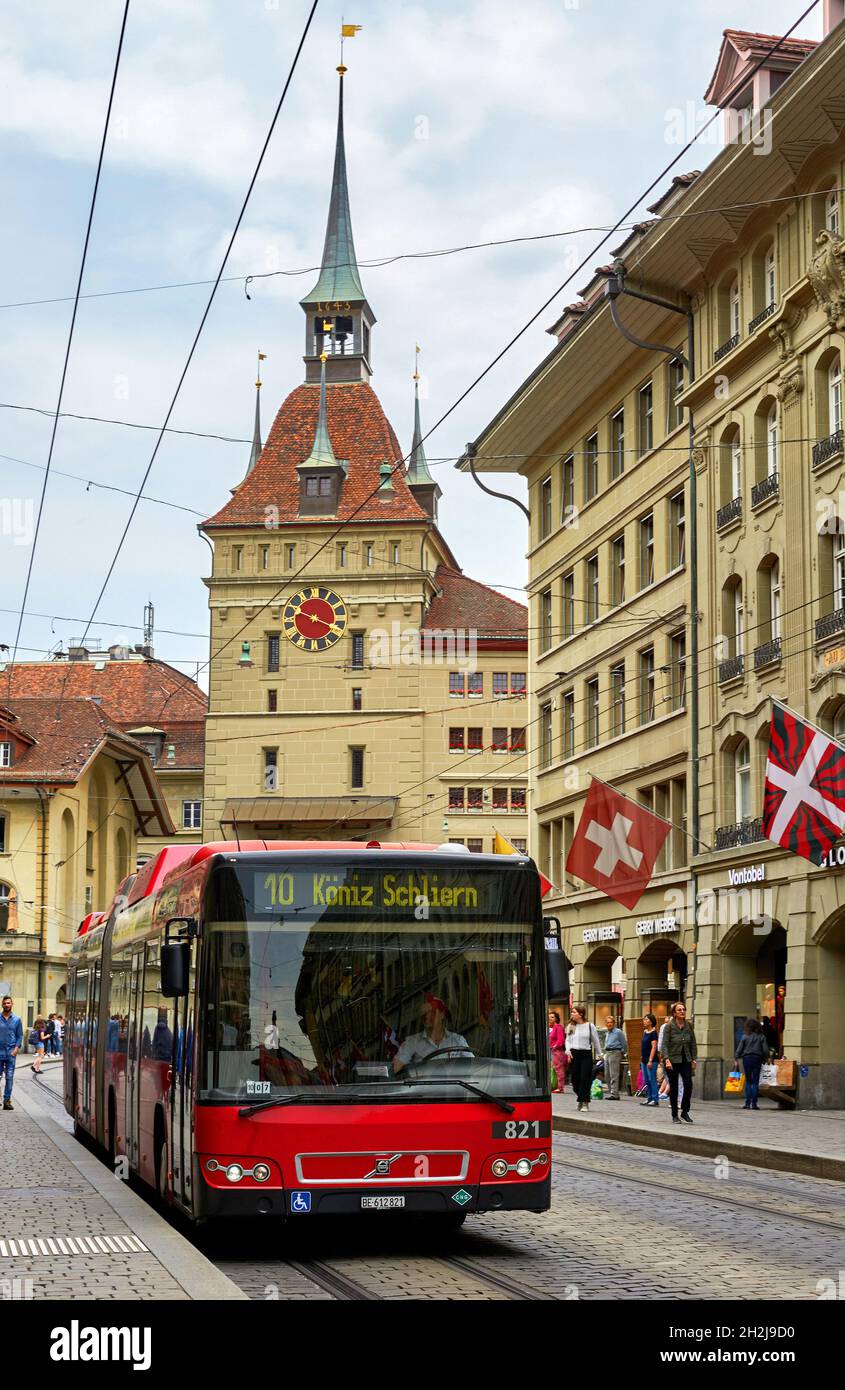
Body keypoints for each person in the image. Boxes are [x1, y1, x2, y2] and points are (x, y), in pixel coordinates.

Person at [393, 994, 472, 1073]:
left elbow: (473, 1066)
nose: (427, 1016)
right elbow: (397, 1068)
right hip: (424, 1081)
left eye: (432, 1012)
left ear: (442, 1014)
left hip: (454, 1081)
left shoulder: (457, 1040)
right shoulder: (412, 1041)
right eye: (424, 1013)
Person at [660, 1001, 697, 1123]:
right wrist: (667, 1059)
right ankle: (674, 1115)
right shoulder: (669, 1027)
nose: (682, 1012)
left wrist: (693, 1059)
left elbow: (693, 1043)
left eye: (684, 1009)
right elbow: (664, 1045)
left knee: (688, 1084)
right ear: (674, 1013)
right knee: (674, 1087)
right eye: (679, 1010)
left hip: (686, 1059)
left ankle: (685, 1111)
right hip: (672, 1060)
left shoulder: (689, 1025)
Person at [566, 1005, 602, 1112]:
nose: (572, 1014)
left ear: (581, 1014)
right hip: (574, 1054)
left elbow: (596, 1041)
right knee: (575, 1080)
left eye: (574, 1012)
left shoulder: (590, 1026)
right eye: (572, 1012)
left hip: (586, 1054)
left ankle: (585, 1102)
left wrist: (600, 1054)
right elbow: (568, 1040)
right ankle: (581, 1097)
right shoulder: (571, 1026)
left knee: (585, 1078)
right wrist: (568, 1050)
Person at [735, 1017, 768, 1111]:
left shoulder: (745, 1036)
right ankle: (754, 1104)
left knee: (748, 1081)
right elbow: (765, 1050)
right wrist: (766, 1057)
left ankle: (747, 1103)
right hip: (757, 1058)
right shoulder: (761, 1037)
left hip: (747, 1059)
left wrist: (736, 1057)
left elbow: (739, 1049)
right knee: (755, 1081)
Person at [0, 996, 23, 1111]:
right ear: (2, 1004)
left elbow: (20, 1035)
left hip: (11, 1053)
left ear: (12, 1004)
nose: (6, 1005)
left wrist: (16, 1049)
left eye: (8, 1003)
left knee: (9, 1078)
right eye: (5, 1003)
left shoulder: (17, 1020)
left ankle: (7, 1101)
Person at [602, 1013, 627, 1100]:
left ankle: (615, 1094)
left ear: (614, 1023)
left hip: (615, 1052)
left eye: (611, 1022)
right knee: (607, 1074)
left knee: (614, 1074)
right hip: (607, 1053)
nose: (609, 1024)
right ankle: (611, 1092)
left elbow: (624, 1044)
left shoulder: (618, 1032)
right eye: (607, 1022)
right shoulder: (607, 1032)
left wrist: (622, 1053)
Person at [640, 1011, 660, 1106]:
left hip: (651, 1060)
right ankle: (649, 1097)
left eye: (646, 1019)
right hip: (644, 1059)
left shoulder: (653, 1033)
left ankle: (655, 1099)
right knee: (646, 1079)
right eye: (644, 1019)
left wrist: (650, 1060)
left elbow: (654, 1047)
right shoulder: (645, 1032)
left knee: (652, 1079)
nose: (644, 1021)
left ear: (651, 1022)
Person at [548, 1010, 567, 1094]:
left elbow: (561, 1040)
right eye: (549, 1017)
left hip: (557, 1052)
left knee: (559, 1070)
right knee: (555, 1070)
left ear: (556, 1019)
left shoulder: (558, 1026)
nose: (550, 1019)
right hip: (552, 1051)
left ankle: (560, 1088)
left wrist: (554, 1047)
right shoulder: (552, 1028)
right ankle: (556, 1086)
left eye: (552, 1017)